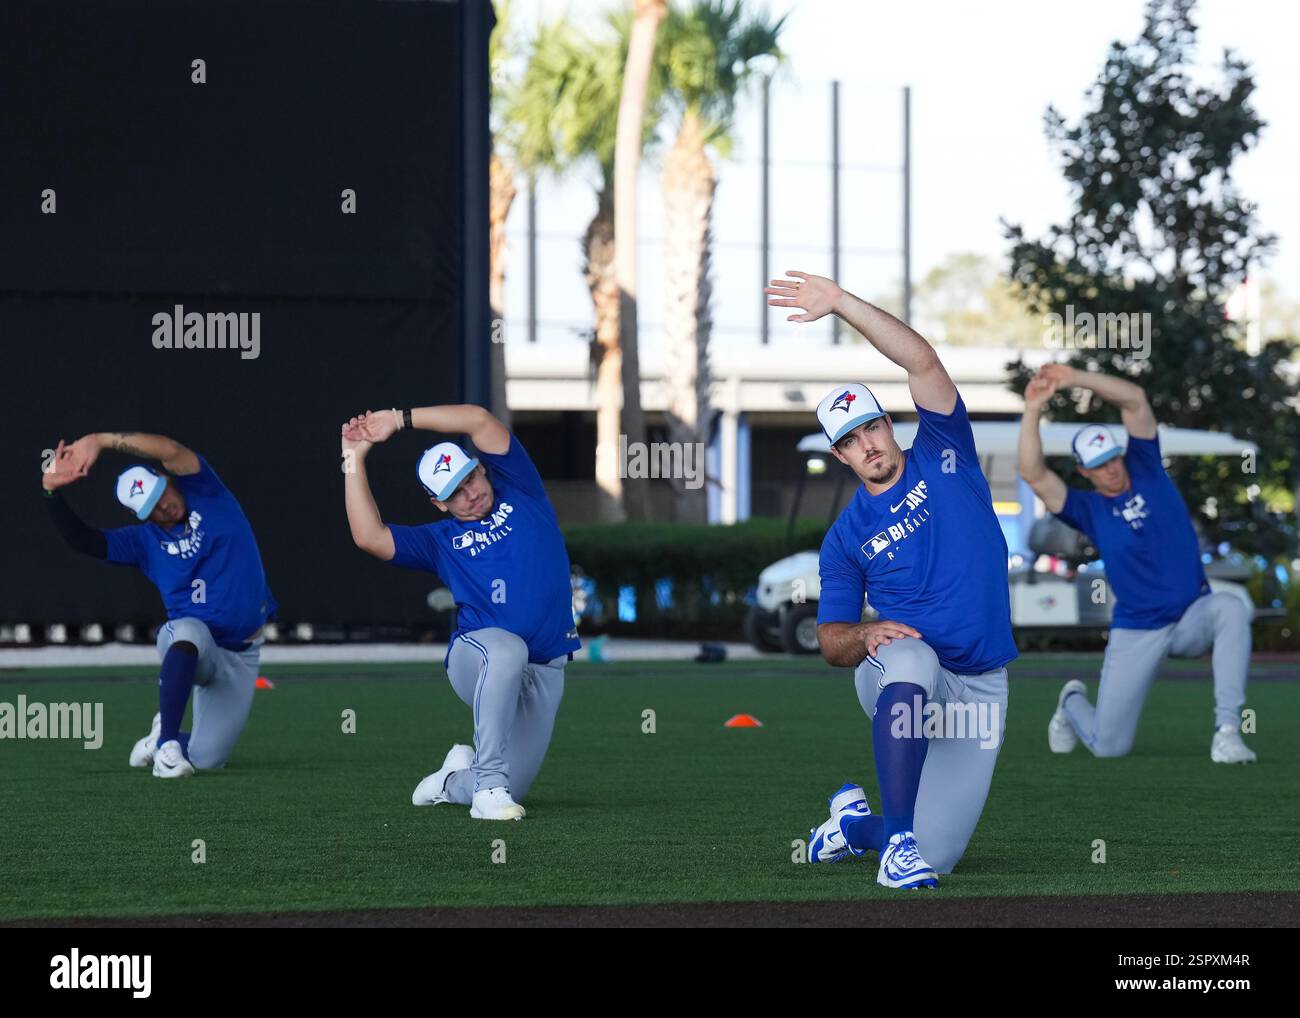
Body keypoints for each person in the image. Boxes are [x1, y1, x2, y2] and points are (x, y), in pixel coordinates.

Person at [765, 271, 1017, 889]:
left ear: (889, 425)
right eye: (850, 440)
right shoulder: (845, 539)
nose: (868, 444)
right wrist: (869, 633)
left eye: (872, 427)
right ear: (842, 456)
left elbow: (922, 359)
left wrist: (841, 304)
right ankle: (896, 845)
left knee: (944, 855)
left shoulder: (943, 452)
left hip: (980, 685)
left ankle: (855, 829)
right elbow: (830, 643)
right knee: (909, 657)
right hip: (903, 675)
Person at [340, 404, 580, 821]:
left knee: (516, 785)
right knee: (506, 650)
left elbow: (478, 420)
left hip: (545, 667)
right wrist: (353, 457)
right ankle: (487, 786)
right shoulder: (440, 539)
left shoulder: (520, 488)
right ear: (439, 503)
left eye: (470, 478)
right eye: (456, 492)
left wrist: (400, 420)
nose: (471, 493)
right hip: (478, 657)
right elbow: (368, 536)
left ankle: (453, 781)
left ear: (482, 470)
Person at [1017, 364, 1256, 763]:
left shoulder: (1146, 466)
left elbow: (1135, 399)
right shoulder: (1087, 508)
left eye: (1113, 458)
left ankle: (1228, 731)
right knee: (1109, 747)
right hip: (1138, 628)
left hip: (1193, 614)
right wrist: (1033, 410)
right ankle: (1072, 702)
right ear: (1084, 472)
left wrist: (1074, 378)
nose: (1110, 469)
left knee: (1231, 607)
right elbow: (1033, 473)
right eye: (1099, 465)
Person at [42, 432, 276, 777]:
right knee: (188, 631)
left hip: (242, 653)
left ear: (166, 480)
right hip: (193, 642)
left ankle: (161, 735)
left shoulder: (206, 491)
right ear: (144, 516)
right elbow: (85, 541)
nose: (164, 506)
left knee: (208, 760)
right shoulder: (144, 541)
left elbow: (170, 449)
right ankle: (167, 746)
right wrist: (51, 491)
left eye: (160, 493)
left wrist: (102, 440)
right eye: (152, 507)